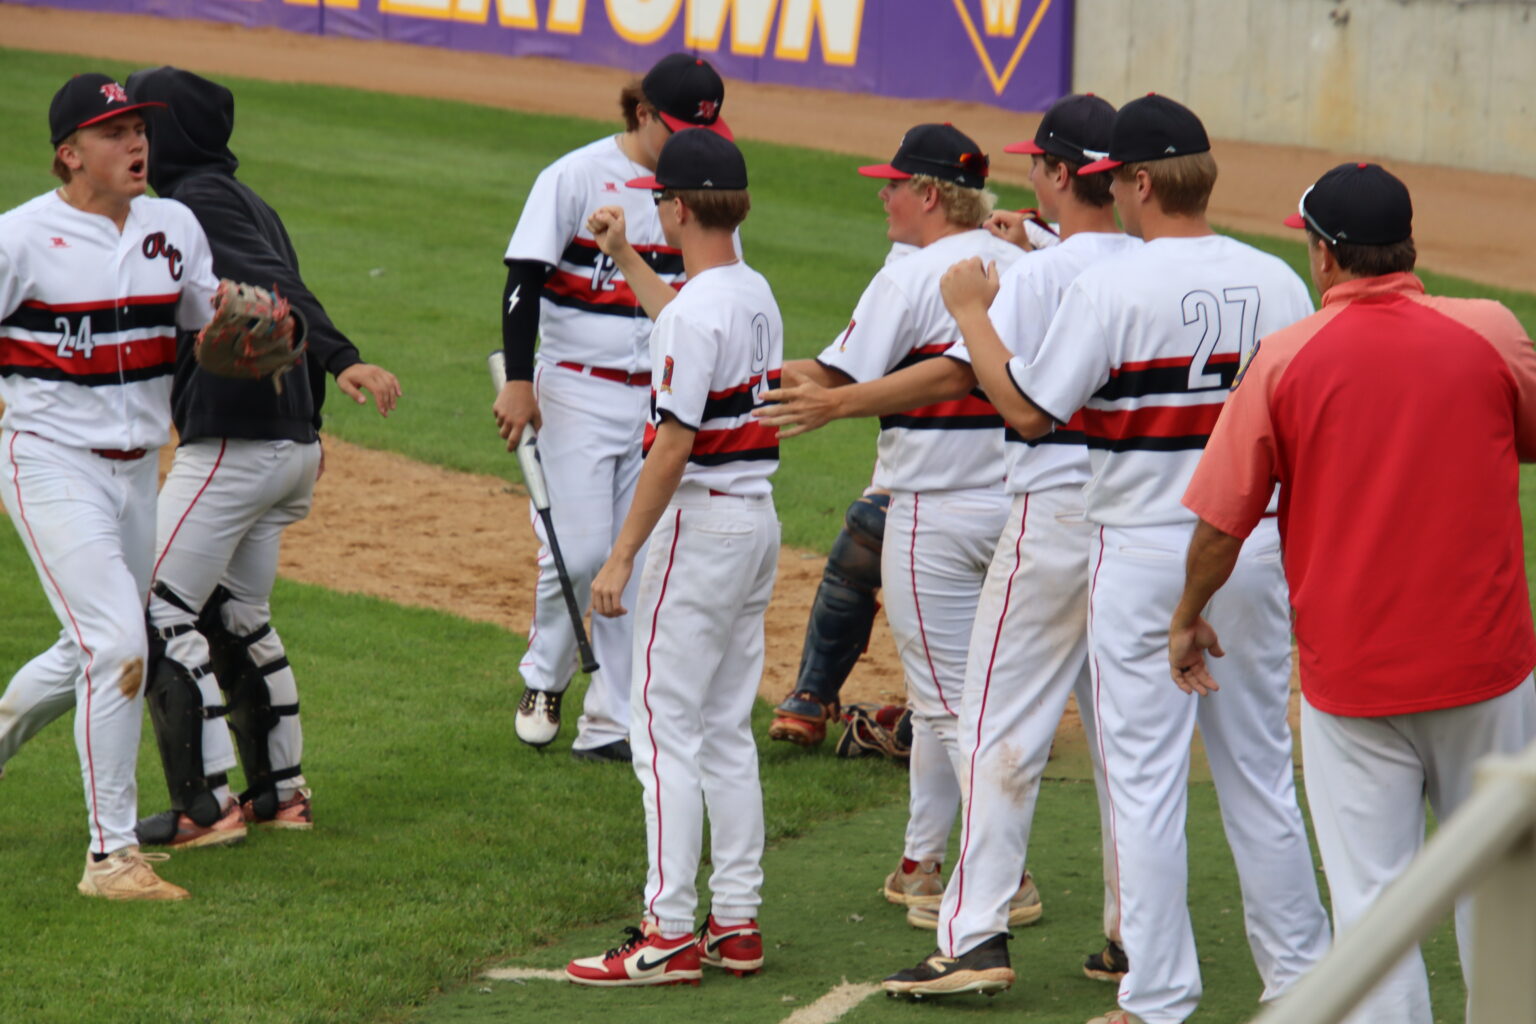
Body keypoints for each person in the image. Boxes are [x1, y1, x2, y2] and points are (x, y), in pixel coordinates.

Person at [1173, 162, 1536, 1024]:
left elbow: (1222, 524)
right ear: (1407, 244)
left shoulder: (1285, 358)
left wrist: (1186, 617)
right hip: (1488, 670)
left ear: (1327, 256)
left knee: (1374, 911)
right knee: (1502, 891)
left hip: (1355, 682)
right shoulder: (1489, 330)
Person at [995, 95, 1330, 1024]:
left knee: (1145, 785)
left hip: (1144, 551)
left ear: (1142, 182)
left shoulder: (1110, 286)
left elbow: (1029, 413)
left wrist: (974, 318)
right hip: (1253, 547)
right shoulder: (1278, 282)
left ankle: (1157, 999)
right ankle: (1305, 986)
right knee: (1262, 774)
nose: (1112, 193)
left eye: (1117, 180)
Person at [869, 93, 1136, 996]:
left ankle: (975, 934)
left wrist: (972, 309)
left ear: (1060, 174)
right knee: (1125, 739)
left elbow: (1011, 403)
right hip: (1140, 521)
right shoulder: (1142, 266)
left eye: (1038, 163)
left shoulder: (1031, 277)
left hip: (1052, 511)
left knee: (994, 725)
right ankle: (1133, 934)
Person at [116, 66, 401, 849]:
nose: (133, 139)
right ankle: (281, 794)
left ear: (171, 133)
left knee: (154, 610)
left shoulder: (195, 203)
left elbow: (280, 294)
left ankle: (204, 809)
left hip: (234, 447)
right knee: (237, 617)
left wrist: (343, 358)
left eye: (142, 126)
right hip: (286, 446)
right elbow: (280, 299)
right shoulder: (245, 199)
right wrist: (313, 410)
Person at [758, 124, 1023, 921]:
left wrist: (717, 372)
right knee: (962, 696)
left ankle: (1002, 876)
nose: (884, 194)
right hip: (1023, 510)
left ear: (931, 195)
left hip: (935, 511)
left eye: (895, 184)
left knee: (946, 707)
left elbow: (831, 376)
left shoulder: (911, 276)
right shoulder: (1025, 263)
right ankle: (921, 862)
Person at [560, 127, 783, 987]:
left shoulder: (697, 311)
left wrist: (621, 556)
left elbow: (673, 444)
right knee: (723, 726)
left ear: (680, 207)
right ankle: (736, 922)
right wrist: (626, 257)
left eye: (659, 200)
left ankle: (669, 930)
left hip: (700, 527)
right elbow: (686, 328)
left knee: (661, 729)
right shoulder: (750, 290)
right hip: (754, 521)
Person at [0, 74, 225, 899]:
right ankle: (110, 857)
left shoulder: (174, 226)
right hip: (50, 462)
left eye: (139, 128)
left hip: (137, 471)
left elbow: (208, 325)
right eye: (114, 132)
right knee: (120, 646)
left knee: (88, 646)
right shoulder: (19, 239)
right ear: (69, 154)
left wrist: (249, 333)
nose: (136, 143)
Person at [493, 53, 732, 764]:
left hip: (661, 396)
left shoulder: (702, 185)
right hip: (576, 388)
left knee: (639, 558)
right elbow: (523, 279)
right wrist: (519, 380)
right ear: (642, 113)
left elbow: (716, 290)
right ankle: (545, 676)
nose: (693, 144)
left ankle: (609, 724)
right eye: (681, 129)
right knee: (579, 551)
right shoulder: (574, 176)